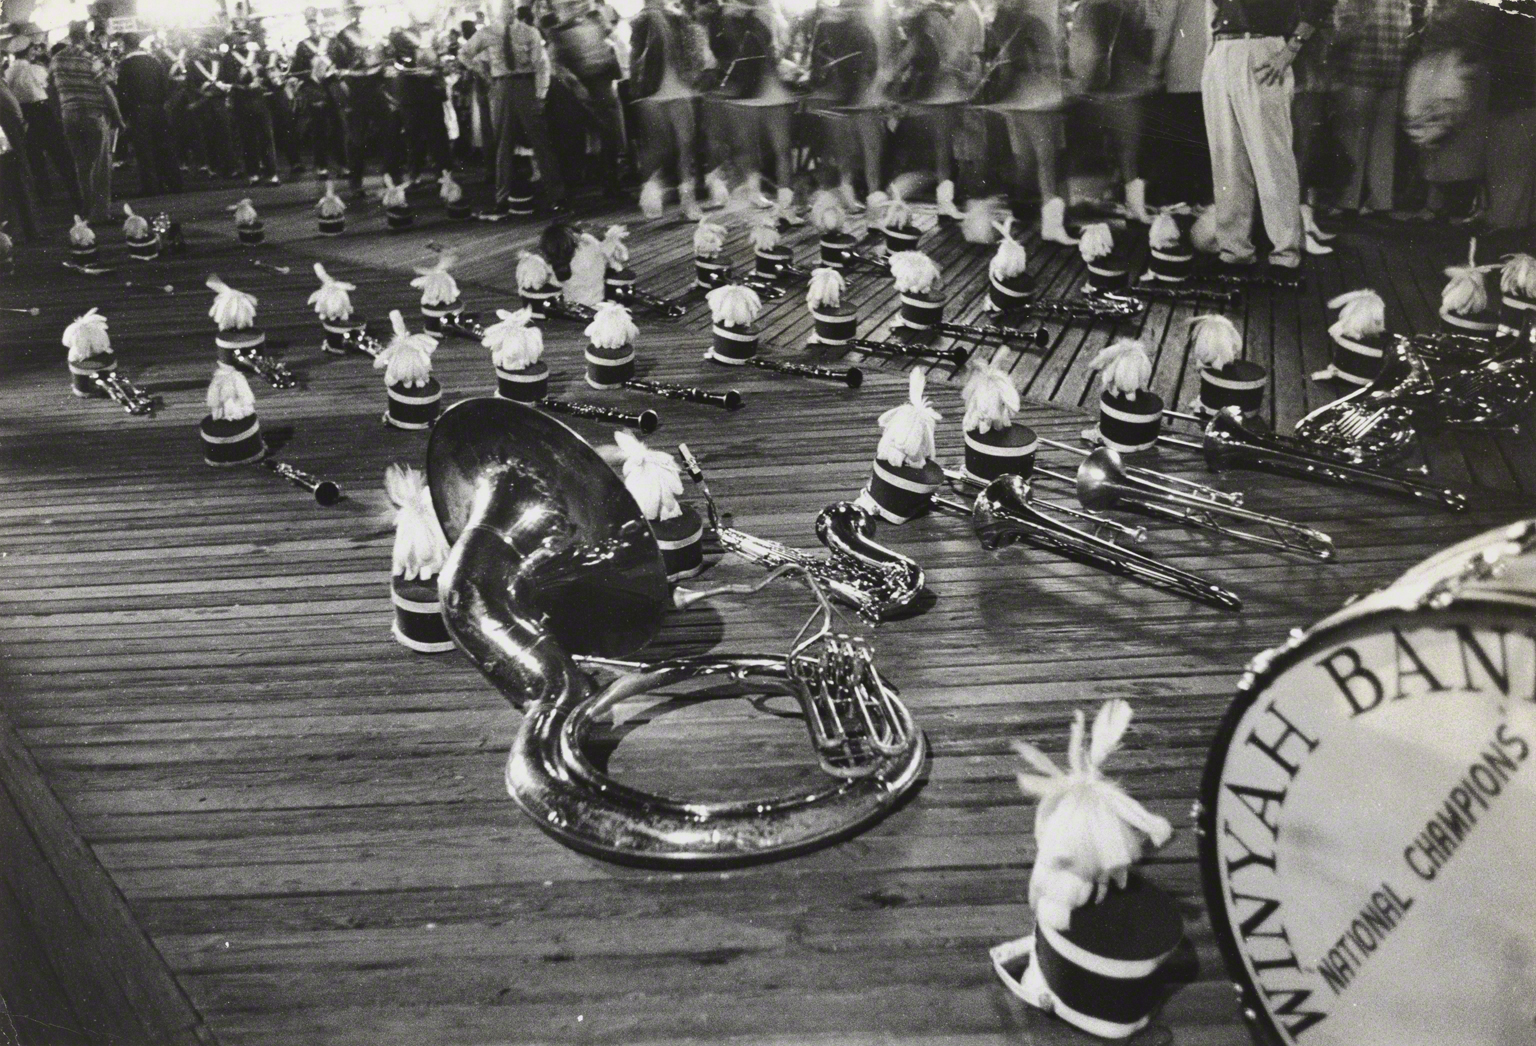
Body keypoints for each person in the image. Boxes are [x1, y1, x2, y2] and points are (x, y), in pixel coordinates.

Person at [1200, 0, 1335, 272]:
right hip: (1221, 50)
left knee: (1272, 160)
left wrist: (1291, 49)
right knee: (1226, 158)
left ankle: (1285, 254)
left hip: (1263, 48)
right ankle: (1234, 251)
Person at [978, 0, 1076, 243]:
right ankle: (1051, 224)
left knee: (1026, 159)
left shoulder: (1009, 21)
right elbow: (1022, 60)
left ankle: (1018, 210)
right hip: (1038, 97)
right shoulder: (1030, 22)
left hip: (1018, 98)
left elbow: (1007, 62)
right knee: (1046, 160)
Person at [1065, 0, 1156, 222]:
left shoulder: (1088, 7)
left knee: (1091, 150)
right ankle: (1135, 208)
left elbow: (1085, 51)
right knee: (1129, 155)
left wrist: (1080, 84)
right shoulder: (1135, 5)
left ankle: (1089, 208)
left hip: (1099, 90)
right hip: (1130, 89)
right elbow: (1146, 47)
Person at [1327, 0, 1409, 220]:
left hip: (1358, 71)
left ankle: (1347, 202)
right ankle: (1381, 202)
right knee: (1383, 142)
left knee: (1353, 140)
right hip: (1392, 72)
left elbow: (1344, 33)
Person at [629, 0, 708, 219]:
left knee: (686, 144)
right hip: (653, 90)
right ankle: (652, 195)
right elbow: (636, 56)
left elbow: (691, 50)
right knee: (658, 147)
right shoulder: (643, 20)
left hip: (677, 89)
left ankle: (687, 200)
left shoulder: (676, 18)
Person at [545, 0, 627, 196]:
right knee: (577, 137)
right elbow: (557, 64)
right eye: (573, 4)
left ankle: (610, 181)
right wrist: (575, 84)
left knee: (609, 134)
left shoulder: (594, 20)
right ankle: (578, 181)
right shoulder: (558, 33)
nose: (578, 6)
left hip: (601, 84)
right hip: (581, 88)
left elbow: (612, 41)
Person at [50, 21, 124, 223]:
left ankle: (88, 208)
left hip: (69, 116)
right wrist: (118, 117)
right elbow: (106, 90)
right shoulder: (90, 59)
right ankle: (100, 213)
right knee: (100, 165)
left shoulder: (56, 60)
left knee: (81, 164)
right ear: (84, 36)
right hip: (92, 114)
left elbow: (53, 89)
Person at [5, 37, 83, 211]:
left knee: (35, 158)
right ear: (28, 51)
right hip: (43, 114)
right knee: (61, 155)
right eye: (33, 49)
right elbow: (50, 87)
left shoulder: (8, 72)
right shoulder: (36, 69)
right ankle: (76, 194)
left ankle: (45, 196)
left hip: (23, 116)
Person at [115, 32, 182, 195]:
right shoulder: (154, 61)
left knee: (144, 150)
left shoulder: (126, 65)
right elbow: (165, 85)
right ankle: (174, 183)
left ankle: (151, 186)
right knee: (164, 146)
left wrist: (123, 115)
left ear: (125, 45)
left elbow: (123, 92)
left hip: (138, 111)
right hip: (158, 109)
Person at [291, 10, 340, 176]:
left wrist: (334, 70)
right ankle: (321, 165)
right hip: (314, 89)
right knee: (319, 129)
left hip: (333, 87)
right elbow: (296, 71)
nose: (314, 26)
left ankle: (343, 164)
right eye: (310, 23)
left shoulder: (333, 43)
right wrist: (309, 74)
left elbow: (342, 63)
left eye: (316, 23)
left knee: (338, 127)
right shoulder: (303, 46)